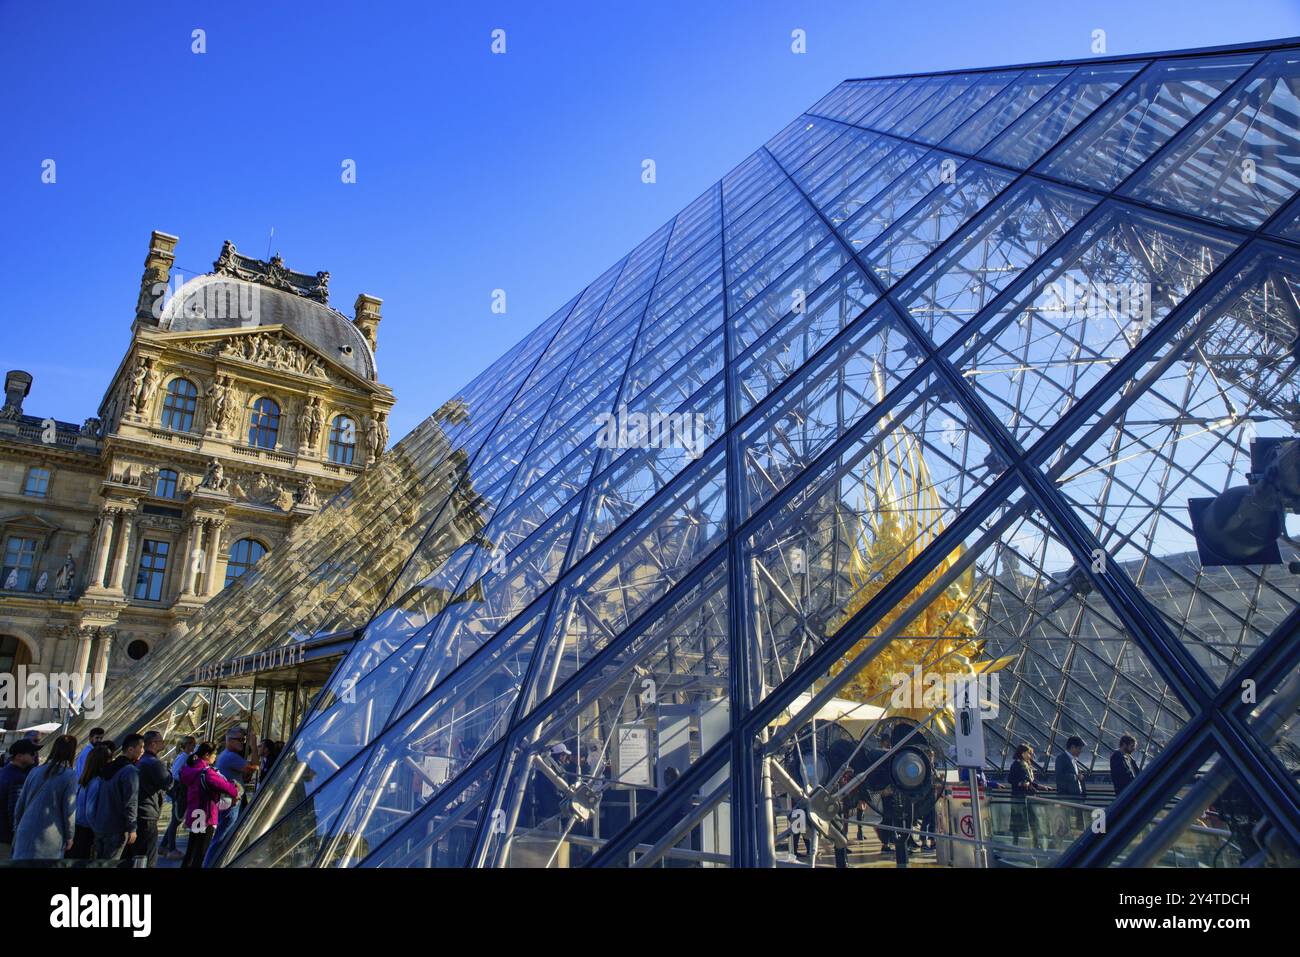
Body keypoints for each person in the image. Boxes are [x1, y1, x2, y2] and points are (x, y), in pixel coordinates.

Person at [12, 734, 78, 861]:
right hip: (50, 836)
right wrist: (70, 836)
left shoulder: (35, 771)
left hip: (25, 831)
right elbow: (69, 811)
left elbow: (20, 804)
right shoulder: (69, 775)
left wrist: (17, 827)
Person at [204, 728, 257, 866]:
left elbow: (245, 774)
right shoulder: (230, 757)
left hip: (228, 800)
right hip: (230, 802)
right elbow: (255, 766)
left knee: (225, 836)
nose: (242, 742)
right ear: (229, 740)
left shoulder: (227, 755)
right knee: (221, 838)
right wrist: (254, 745)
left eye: (243, 739)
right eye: (239, 739)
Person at [180, 742, 239, 868]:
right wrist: (234, 787)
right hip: (206, 814)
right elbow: (230, 789)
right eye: (214, 754)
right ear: (207, 755)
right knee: (201, 852)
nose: (215, 757)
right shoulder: (208, 773)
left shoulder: (190, 768)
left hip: (194, 813)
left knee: (191, 850)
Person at [90, 732, 143, 860]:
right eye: (140, 747)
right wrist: (132, 828)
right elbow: (131, 801)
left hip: (100, 825)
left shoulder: (108, 768)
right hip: (117, 827)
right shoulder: (129, 771)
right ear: (130, 749)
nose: (142, 751)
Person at [126, 730, 171, 867]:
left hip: (139, 813)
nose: (163, 743)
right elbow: (168, 782)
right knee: (148, 856)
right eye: (161, 741)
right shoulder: (154, 763)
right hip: (148, 815)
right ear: (152, 744)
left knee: (136, 855)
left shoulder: (140, 762)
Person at [69, 744, 111, 859]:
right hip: (86, 829)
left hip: (78, 826)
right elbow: (90, 810)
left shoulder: (85, 780)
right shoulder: (96, 782)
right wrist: (97, 829)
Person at [0, 740, 40, 858]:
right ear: (19, 756)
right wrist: (18, 836)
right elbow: (15, 811)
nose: (35, 755)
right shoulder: (17, 778)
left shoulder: (5, 772)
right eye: (32, 753)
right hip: (7, 838)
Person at [161, 736, 196, 859]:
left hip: (180, 792)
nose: (193, 747)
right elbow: (176, 774)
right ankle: (171, 848)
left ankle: (163, 845)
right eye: (192, 745)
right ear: (187, 745)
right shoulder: (184, 757)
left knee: (176, 820)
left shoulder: (184, 756)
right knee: (176, 820)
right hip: (180, 792)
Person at [1008, 743, 1048, 846]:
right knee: (1024, 821)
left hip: (1026, 797)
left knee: (1028, 820)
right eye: (1028, 753)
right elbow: (1010, 779)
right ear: (1022, 753)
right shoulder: (1016, 764)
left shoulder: (1025, 764)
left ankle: (1031, 842)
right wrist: (1021, 783)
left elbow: (1029, 781)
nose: (1030, 755)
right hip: (1020, 798)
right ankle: (1020, 842)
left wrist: (1038, 786)